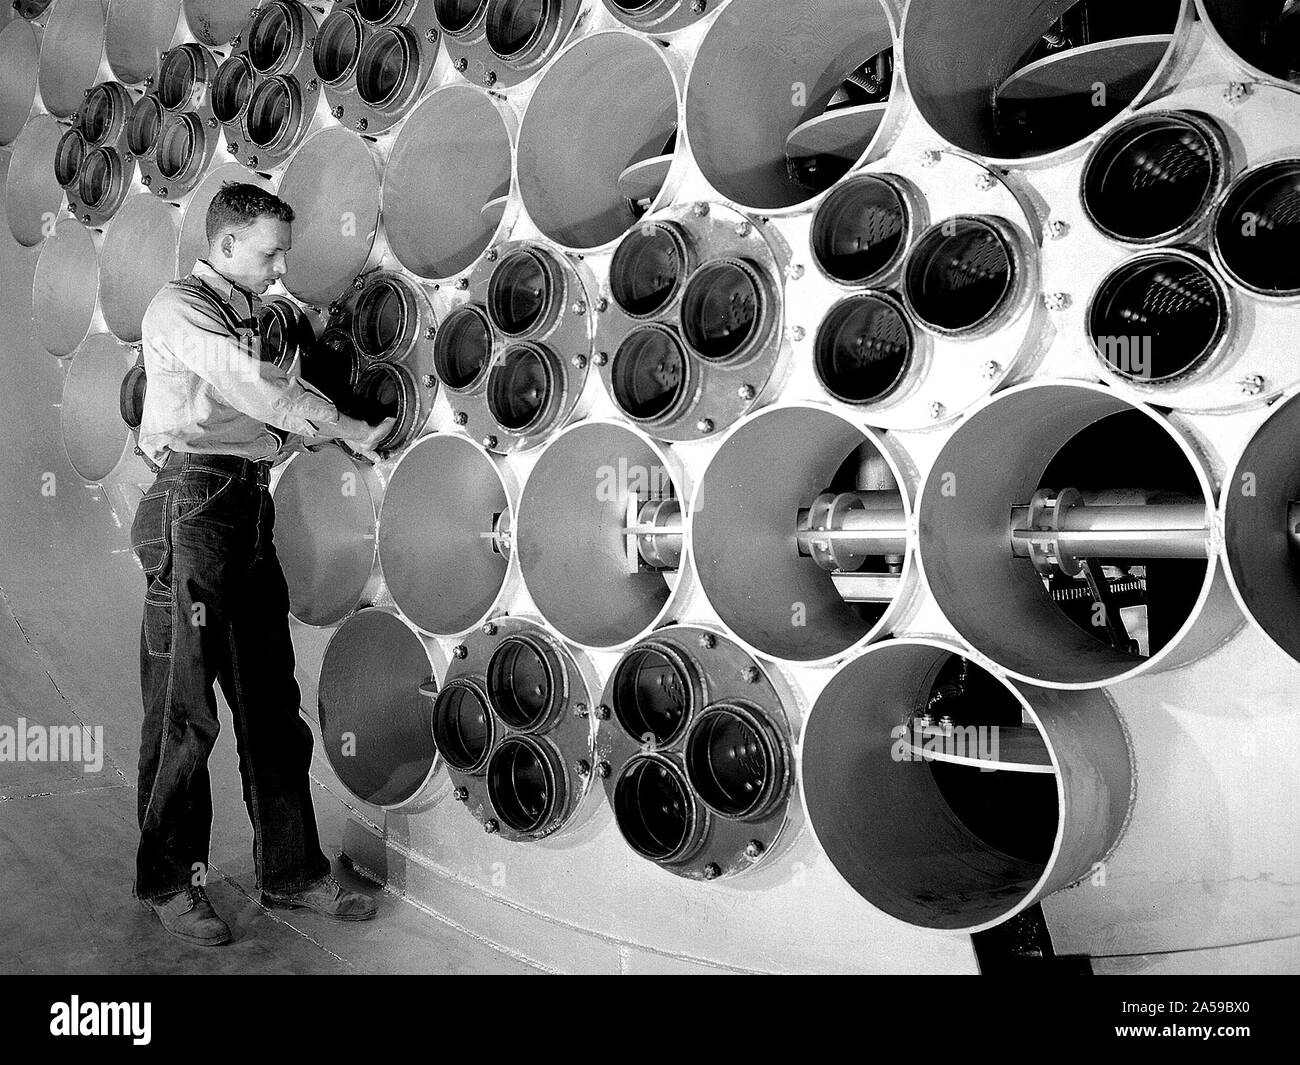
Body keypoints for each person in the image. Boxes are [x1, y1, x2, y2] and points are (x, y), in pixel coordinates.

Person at [129, 182, 394, 946]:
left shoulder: (249, 317)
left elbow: (280, 389)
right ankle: (170, 880)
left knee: (270, 707)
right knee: (186, 711)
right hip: (192, 504)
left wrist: (340, 428)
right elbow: (246, 384)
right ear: (227, 243)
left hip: (244, 506)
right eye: (270, 250)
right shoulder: (177, 308)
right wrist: (334, 421)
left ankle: (291, 871)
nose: (281, 268)